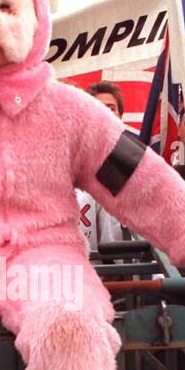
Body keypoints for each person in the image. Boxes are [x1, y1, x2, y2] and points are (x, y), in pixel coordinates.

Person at [76, 81, 128, 249]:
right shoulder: (68, 167)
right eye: (98, 107)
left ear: (120, 117)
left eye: (111, 108)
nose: (105, 113)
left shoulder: (137, 167)